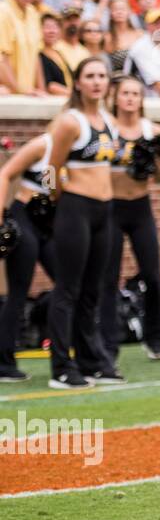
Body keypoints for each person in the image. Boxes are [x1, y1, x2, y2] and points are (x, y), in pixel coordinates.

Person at [43, 57, 122, 388]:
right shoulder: (70, 122)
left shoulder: (108, 119)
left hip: (104, 212)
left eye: (102, 76)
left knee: (93, 290)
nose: (97, 81)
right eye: (89, 76)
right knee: (68, 290)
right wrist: (56, 201)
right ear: (77, 82)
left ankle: (91, 361)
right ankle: (62, 366)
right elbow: (50, 169)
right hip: (75, 209)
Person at [99, 76, 160, 362]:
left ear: (142, 99)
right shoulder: (104, 129)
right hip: (111, 208)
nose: (129, 98)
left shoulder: (152, 130)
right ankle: (108, 344)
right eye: (125, 93)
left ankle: (155, 340)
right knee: (108, 278)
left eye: (135, 94)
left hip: (141, 207)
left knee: (152, 275)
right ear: (115, 97)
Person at [0, 132, 58, 381]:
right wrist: (1, 218)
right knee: (18, 291)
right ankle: (3, 362)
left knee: (68, 283)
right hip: (23, 217)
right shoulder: (41, 144)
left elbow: (55, 190)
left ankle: (68, 352)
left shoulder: (69, 152)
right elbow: (5, 174)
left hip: (47, 221)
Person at [0, 0, 48, 94]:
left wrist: (41, 90)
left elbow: (36, 57)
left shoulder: (33, 13)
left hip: (26, 96)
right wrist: (21, 91)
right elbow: (1, 61)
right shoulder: (3, 12)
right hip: (6, 96)